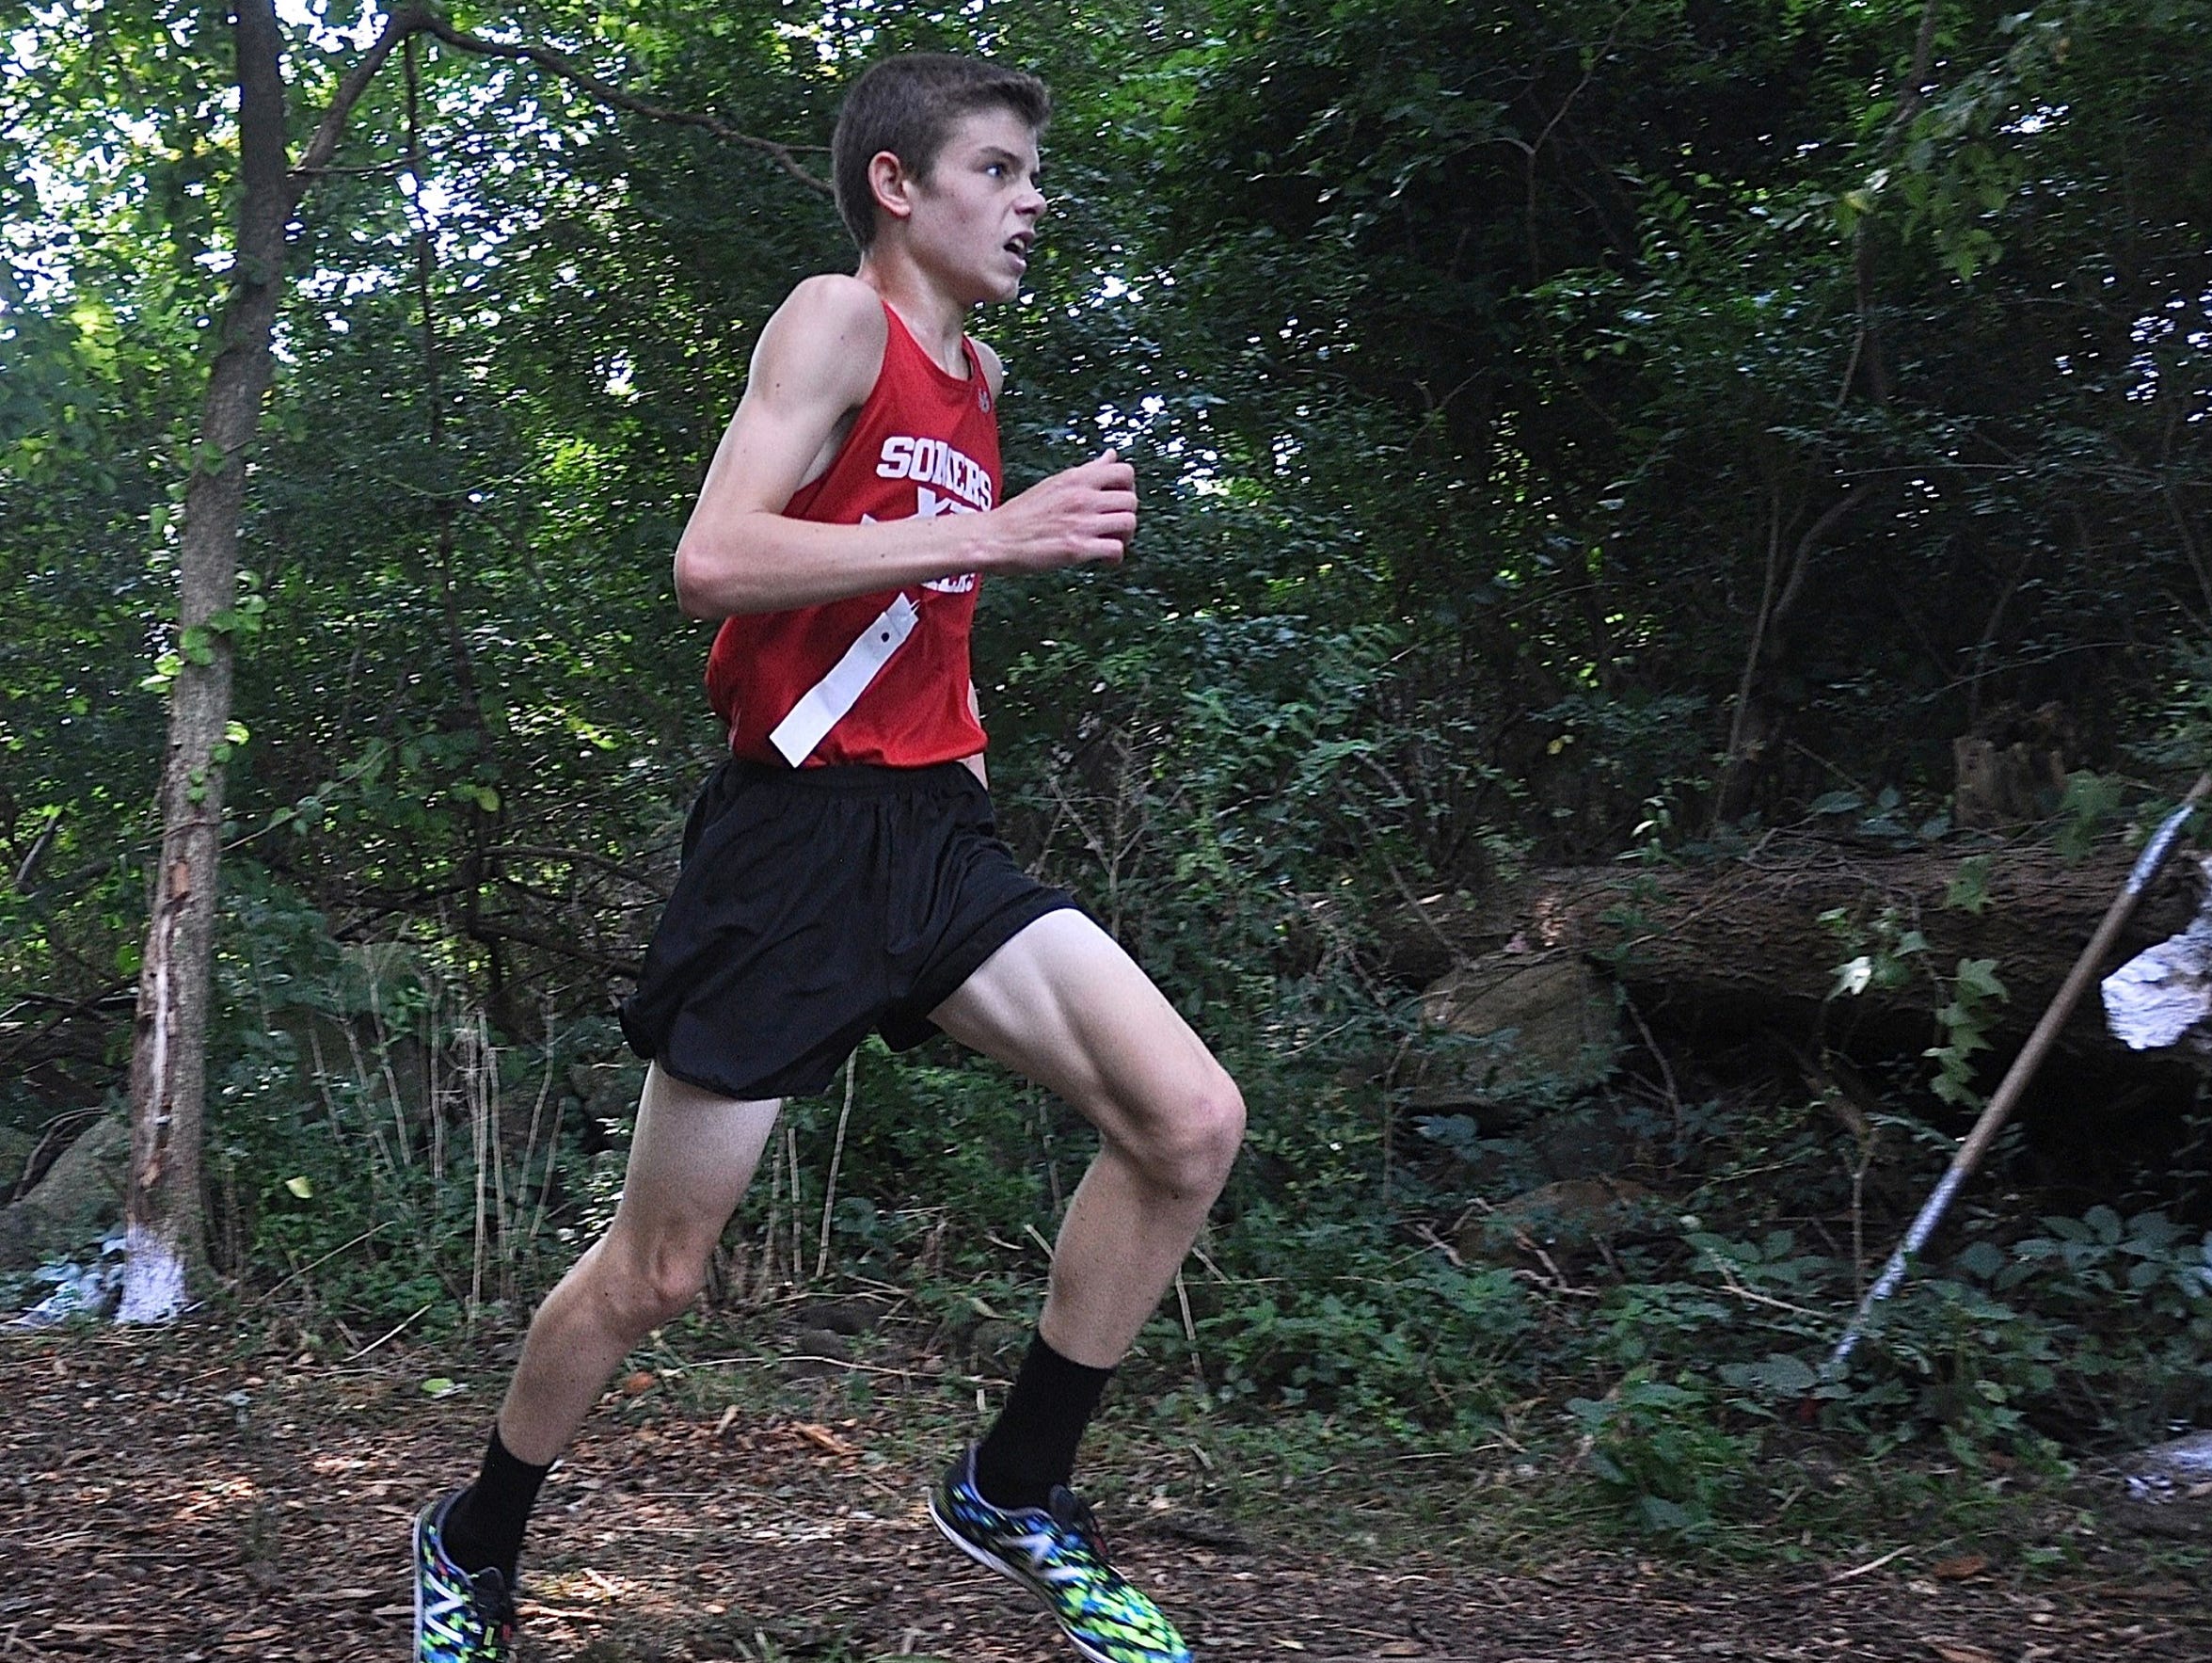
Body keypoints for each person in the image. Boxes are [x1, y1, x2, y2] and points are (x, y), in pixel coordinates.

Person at [410, 52, 1245, 1663]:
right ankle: (473, 1537)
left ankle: (1015, 1489)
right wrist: (1000, 531)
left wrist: (975, 755)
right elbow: (715, 562)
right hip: (788, 843)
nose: (1030, 201)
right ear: (898, 186)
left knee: (1189, 1121)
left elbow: (926, 625)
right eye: (998, 170)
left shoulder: (981, 380)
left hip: (935, 836)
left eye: (1031, 173)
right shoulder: (834, 319)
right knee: (657, 1272)